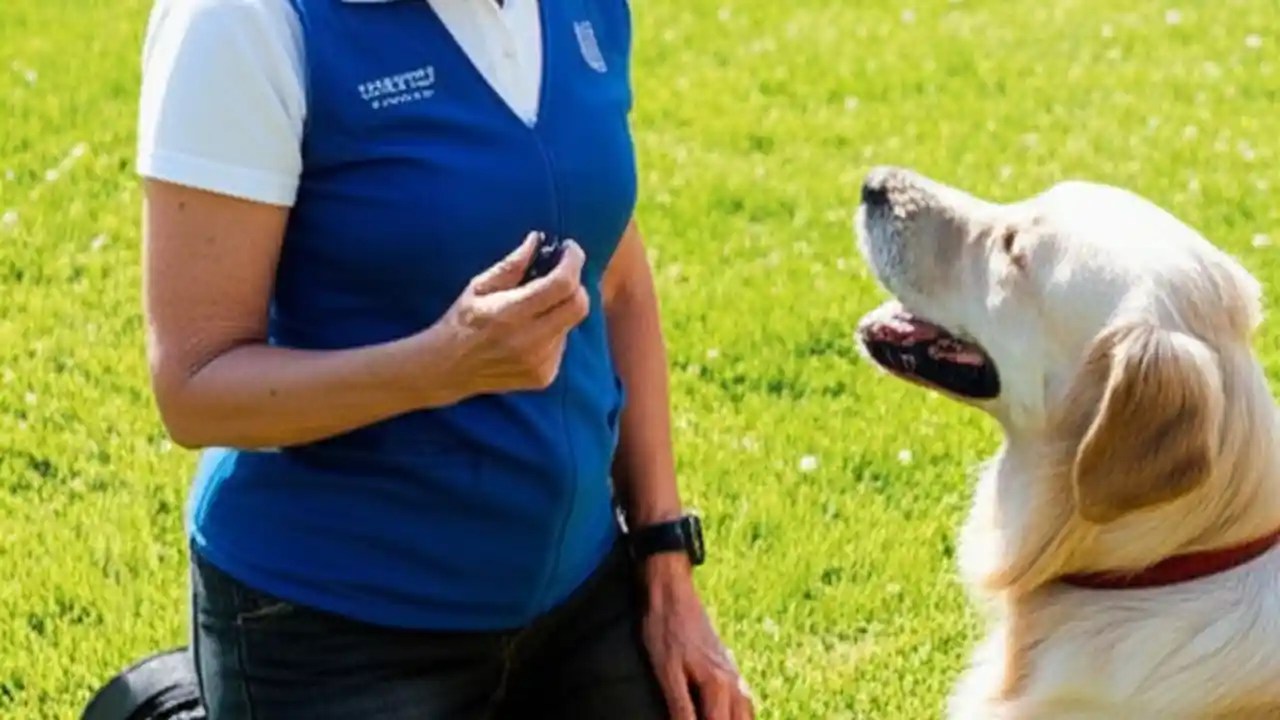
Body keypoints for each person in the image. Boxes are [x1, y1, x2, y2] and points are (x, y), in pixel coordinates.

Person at [134, 0, 754, 718]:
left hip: (580, 593)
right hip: (332, 621)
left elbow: (614, 281)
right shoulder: (241, 22)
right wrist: (439, 366)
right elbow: (194, 388)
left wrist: (664, 561)